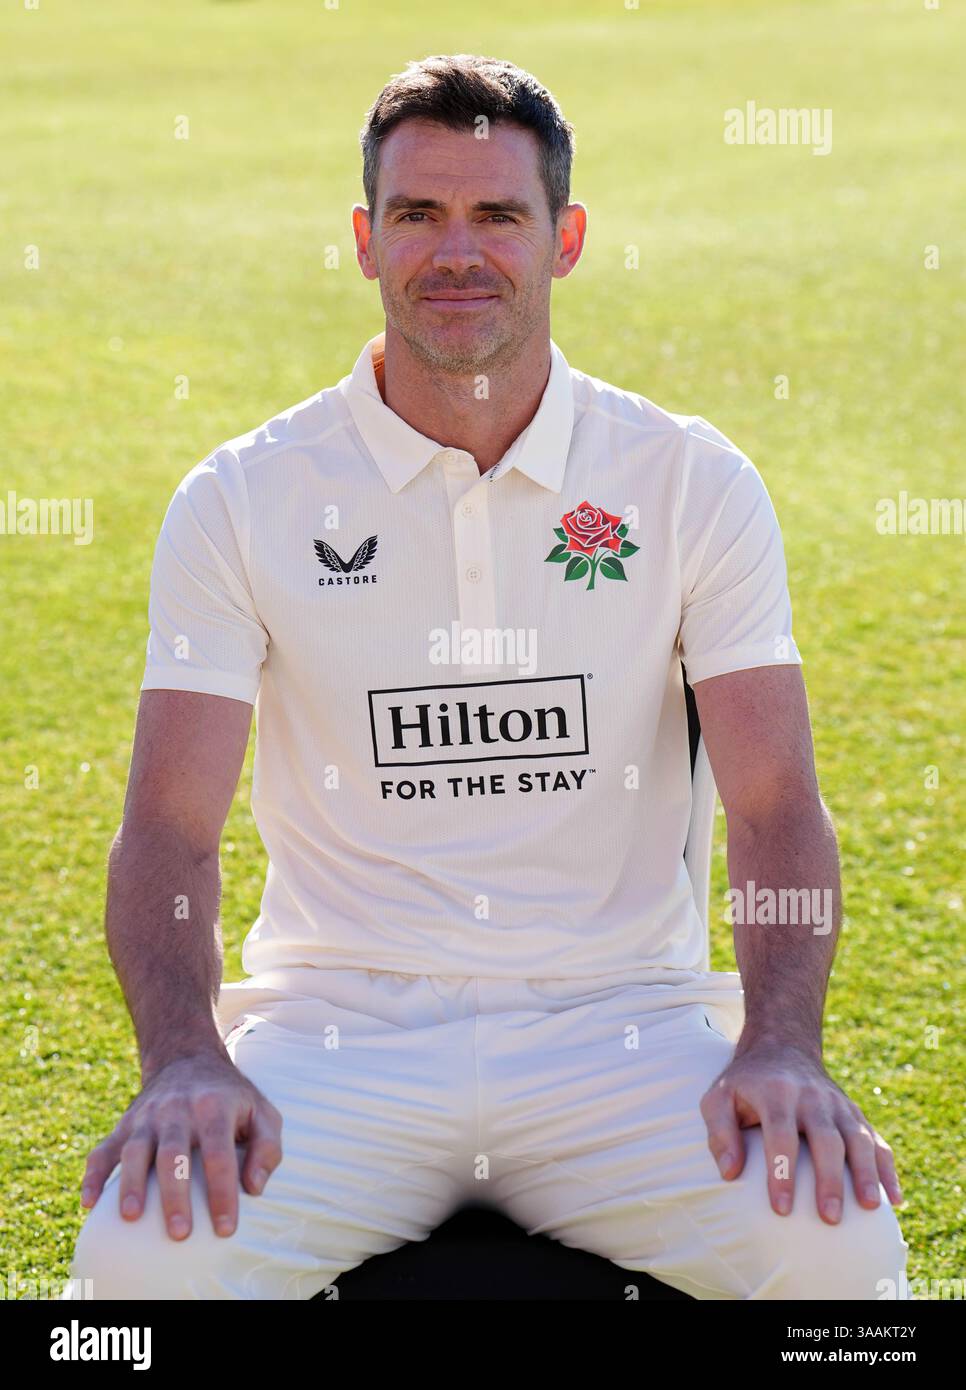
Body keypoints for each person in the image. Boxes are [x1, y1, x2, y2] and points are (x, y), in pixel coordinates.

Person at [63, 53, 908, 1300]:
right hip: (337, 1031)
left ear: (564, 239)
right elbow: (169, 828)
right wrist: (186, 1058)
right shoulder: (243, 495)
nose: (457, 251)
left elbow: (776, 803)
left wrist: (781, 1042)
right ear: (365, 239)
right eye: (419, 214)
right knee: (138, 1270)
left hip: (619, 1025)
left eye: (497, 215)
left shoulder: (687, 478)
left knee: (837, 1254)